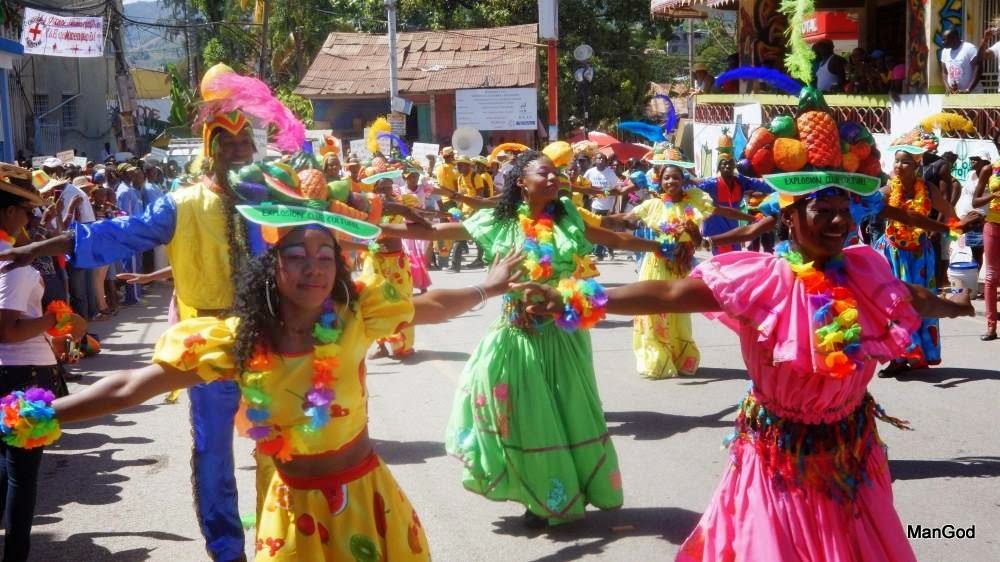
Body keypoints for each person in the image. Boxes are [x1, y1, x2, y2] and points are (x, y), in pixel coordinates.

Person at [12, 209, 523, 561]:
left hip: (367, 498)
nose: (315, 268)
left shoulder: (355, 316)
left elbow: (430, 308)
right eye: (299, 255)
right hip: (292, 507)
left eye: (326, 256)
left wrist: (487, 286)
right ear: (273, 266)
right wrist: (47, 414)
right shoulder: (234, 341)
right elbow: (131, 387)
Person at [518, 184, 973, 562]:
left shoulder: (863, 268)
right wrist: (580, 297)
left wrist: (950, 306)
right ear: (790, 216)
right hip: (781, 454)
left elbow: (906, 295)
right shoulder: (762, 279)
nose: (839, 222)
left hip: (852, 450)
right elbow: (673, 292)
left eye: (843, 211)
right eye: (823, 210)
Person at [0, 63, 305, 561]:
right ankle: (227, 551)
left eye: (244, 140)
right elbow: (116, 233)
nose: (238, 149)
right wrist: (41, 247)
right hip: (206, 340)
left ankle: (283, 542)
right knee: (213, 455)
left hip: (270, 334)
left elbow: (312, 240)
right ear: (210, 146)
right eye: (226, 142)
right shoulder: (179, 203)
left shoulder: (268, 199)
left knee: (281, 439)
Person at [381, 151, 662, 528]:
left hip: (564, 335)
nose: (554, 178)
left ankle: (562, 493)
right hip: (516, 333)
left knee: (564, 414)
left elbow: (615, 238)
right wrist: (376, 226)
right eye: (544, 173)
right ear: (521, 183)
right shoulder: (498, 222)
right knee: (519, 413)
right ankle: (537, 491)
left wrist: (661, 247)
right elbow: (437, 232)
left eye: (556, 173)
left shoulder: (571, 218)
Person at [0, 164, 87, 562]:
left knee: (7, 471)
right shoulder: (13, 264)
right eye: (27, 211)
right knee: (22, 476)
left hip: (15, 373)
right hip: (22, 377)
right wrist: (55, 320)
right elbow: (10, 329)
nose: (33, 218)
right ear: (8, 213)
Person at [605, 165, 753, 379]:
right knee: (653, 312)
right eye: (666, 178)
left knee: (679, 314)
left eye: (675, 178)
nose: (670, 182)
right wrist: (596, 222)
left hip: (681, 269)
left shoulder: (694, 204)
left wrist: (753, 219)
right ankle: (656, 357)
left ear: (682, 180)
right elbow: (627, 218)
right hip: (656, 267)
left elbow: (723, 211)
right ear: (660, 181)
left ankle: (680, 356)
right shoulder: (653, 205)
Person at [875, 148, 957, 376]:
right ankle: (898, 357)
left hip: (921, 256)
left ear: (917, 166)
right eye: (897, 162)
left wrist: (954, 230)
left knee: (922, 302)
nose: (899, 167)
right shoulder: (888, 190)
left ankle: (920, 353)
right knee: (895, 305)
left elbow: (949, 210)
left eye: (905, 163)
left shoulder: (928, 190)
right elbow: (868, 207)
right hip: (893, 254)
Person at [696, 155, 771, 254]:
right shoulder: (711, 184)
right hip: (715, 233)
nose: (727, 166)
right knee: (720, 265)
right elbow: (692, 190)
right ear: (719, 167)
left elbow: (760, 185)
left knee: (735, 262)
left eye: (730, 163)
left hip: (734, 233)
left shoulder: (740, 181)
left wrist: (779, 186)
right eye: (724, 163)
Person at [971, 156, 1000, 340]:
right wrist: (993, 195)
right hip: (993, 227)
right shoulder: (989, 169)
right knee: (991, 277)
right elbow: (976, 201)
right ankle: (991, 326)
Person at [583, 153, 621, 260]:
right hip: (595, 206)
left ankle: (610, 250)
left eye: (603, 158)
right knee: (596, 229)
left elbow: (616, 190)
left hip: (608, 206)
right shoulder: (590, 172)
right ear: (595, 160)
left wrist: (613, 207)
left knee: (608, 230)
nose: (601, 160)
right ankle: (598, 253)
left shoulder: (610, 173)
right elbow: (583, 184)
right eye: (599, 158)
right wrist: (591, 194)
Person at [940, 28, 982, 94]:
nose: (942, 42)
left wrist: (968, 89)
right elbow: (944, 72)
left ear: (953, 38)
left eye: (944, 40)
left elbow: (978, 70)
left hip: (973, 94)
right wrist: (948, 88)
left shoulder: (969, 49)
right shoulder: (945, 51)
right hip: (955, 94)